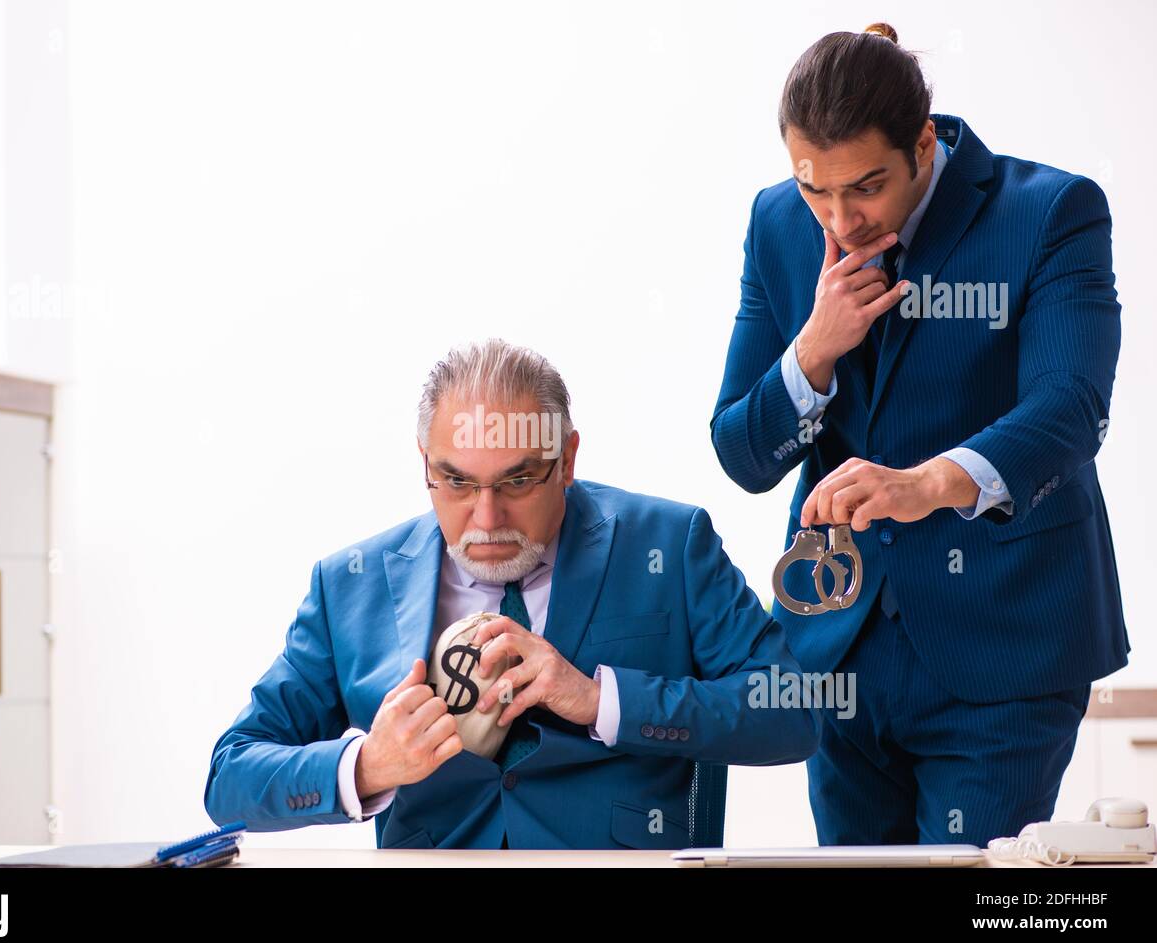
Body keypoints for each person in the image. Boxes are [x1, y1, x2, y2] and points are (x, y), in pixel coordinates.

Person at [710, 23, 1127, 846]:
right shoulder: (777, 224)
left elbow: (1073, 405)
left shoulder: (1051, 212)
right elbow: (743, 452)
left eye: (864, 187)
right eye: (814, 191)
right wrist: (811, 354)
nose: (839, 218)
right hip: (837, 651)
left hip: (1004, 647)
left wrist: (927, 482)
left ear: (923, 144)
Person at [206, 339, 818, 848]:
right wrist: (370, 766)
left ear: (567, 458)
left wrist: (597, 698)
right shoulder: (350, 586)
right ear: (425, 465)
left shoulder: (670, 545)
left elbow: (790, 711)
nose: (486, 518)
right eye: (457, 481)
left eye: (518, 479)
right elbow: (230, 776)